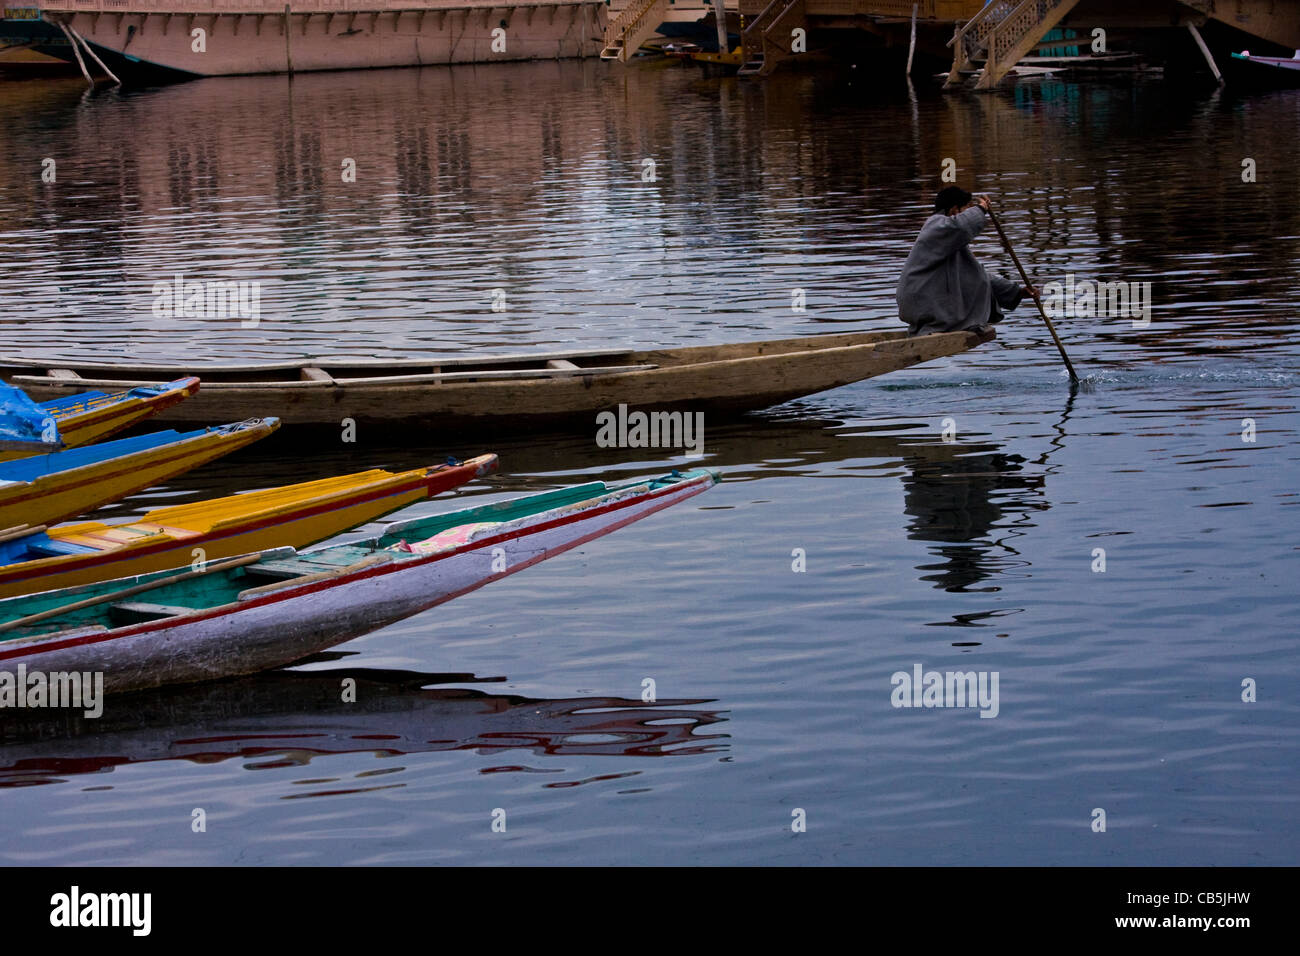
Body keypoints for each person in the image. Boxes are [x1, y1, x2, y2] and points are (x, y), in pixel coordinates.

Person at [896, 186, 1032, 340]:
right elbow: (960, 225)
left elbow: (975, 275)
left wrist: (1016, 292)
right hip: (921, 304)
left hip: (924, 303)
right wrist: (981, 209)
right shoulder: (936, 226)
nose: (969, 212)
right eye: (967, 208)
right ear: (955, 210)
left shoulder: (949, 242)